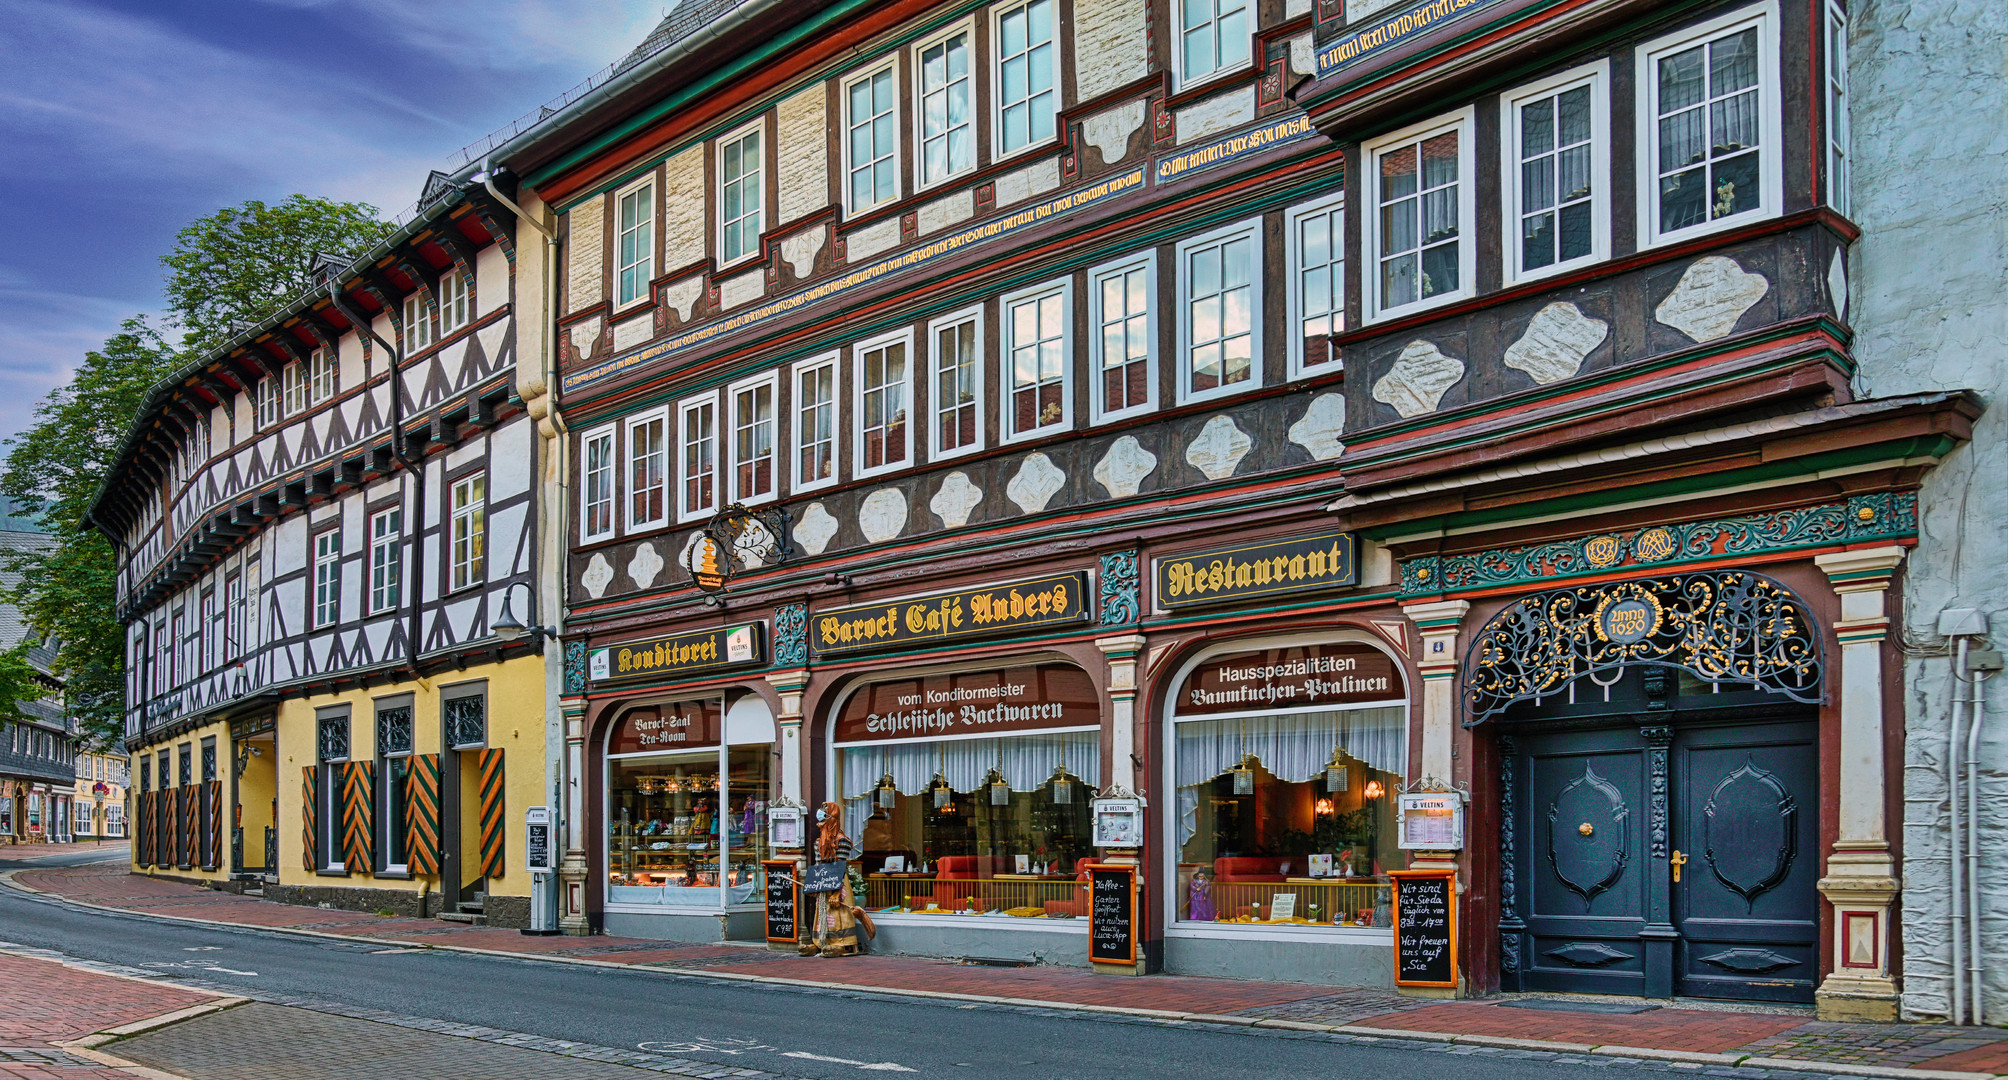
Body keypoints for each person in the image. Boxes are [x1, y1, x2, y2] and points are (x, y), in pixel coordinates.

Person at [803, 801, 863, 957]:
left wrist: (837, 893)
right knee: (822, 914)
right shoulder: (818, 843)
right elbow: (818, 867)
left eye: (825, 813)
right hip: (824, 884)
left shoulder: (842, 842)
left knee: (839, 914)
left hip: (839, 884)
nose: (821, 818)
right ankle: (819, 943)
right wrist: (815, 886)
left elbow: (840, 868)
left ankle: (842, 944)